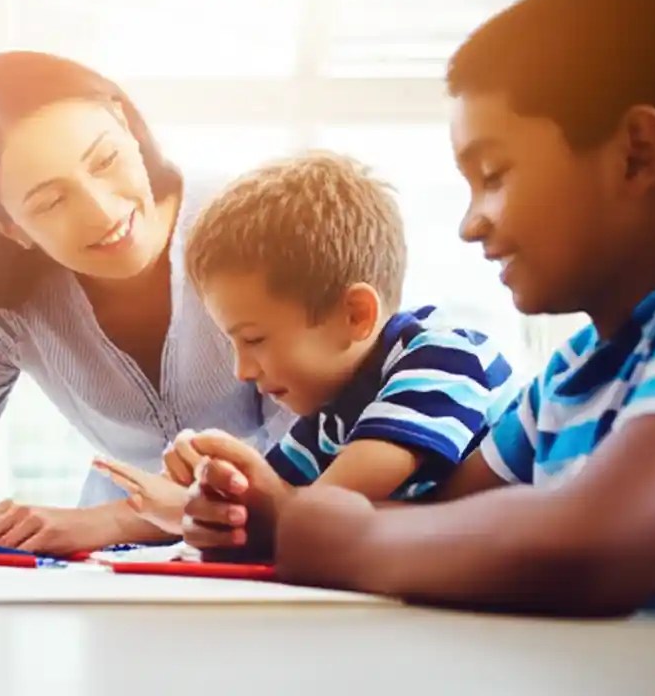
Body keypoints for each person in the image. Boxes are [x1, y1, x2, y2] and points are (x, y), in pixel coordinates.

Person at [192, 0, 655, 617]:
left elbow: (593, 546)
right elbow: (443, 517)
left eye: (493, 176)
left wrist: (321, 531)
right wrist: (273, 518)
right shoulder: (564, 380)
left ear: (635, 155)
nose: (470, 224)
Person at [0, 50, 294, 569]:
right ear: (9, 227)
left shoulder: (256, 225)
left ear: (125, 125)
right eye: (50, 202)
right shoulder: (9, 306)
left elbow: (311, 456)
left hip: (277, 549)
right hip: (118, 573)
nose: (102, 212)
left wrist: (113, 519)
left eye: (105, 161)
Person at [98, 153, 517, 553]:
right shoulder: (330, 421)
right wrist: (209, 489)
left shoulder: (446, 360)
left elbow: (313, 516)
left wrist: (222, 503)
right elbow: (265, 505)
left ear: (355, 315)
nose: (242, 371)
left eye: (254, 340)